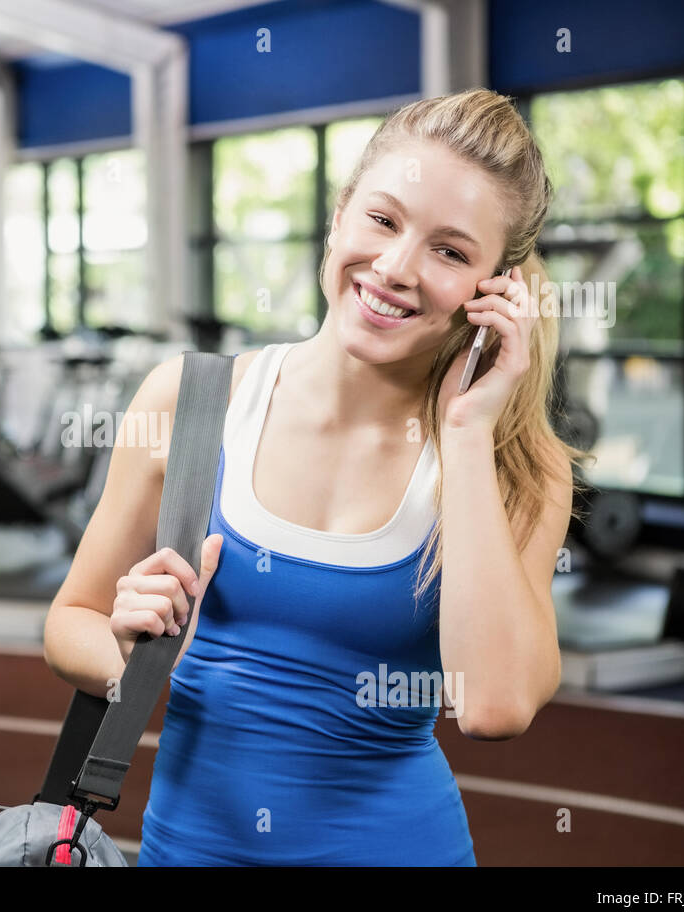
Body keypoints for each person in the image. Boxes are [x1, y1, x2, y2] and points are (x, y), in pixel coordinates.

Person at [42, 88, 591, 866]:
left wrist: (465, 434)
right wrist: (132, 661)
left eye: (451, 251)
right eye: (383, 219)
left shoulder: (513, 465)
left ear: (494, 291)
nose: (397, 268)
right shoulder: (189, 400)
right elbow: (71, 620)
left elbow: (494, 707)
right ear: (339, 215)